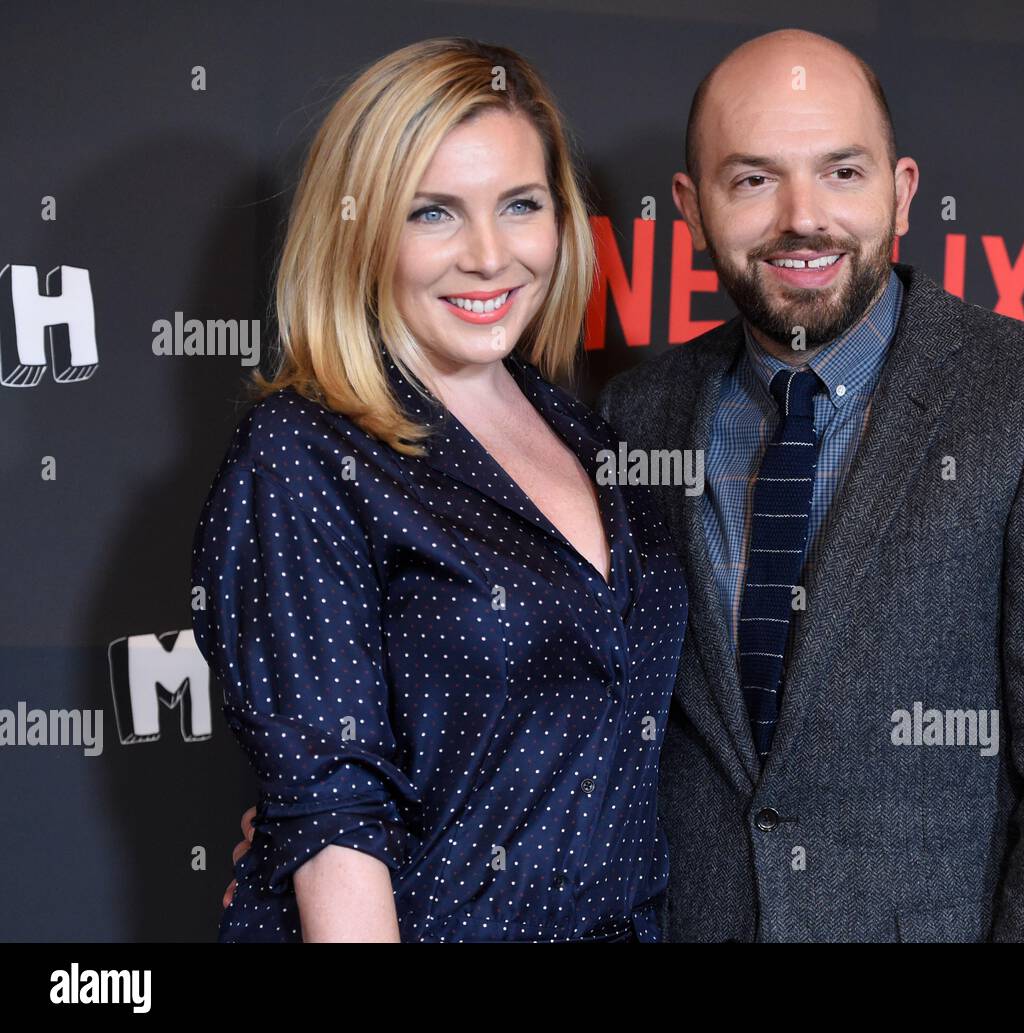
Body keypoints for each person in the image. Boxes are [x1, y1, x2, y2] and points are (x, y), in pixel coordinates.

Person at [594, 28, 1024, 941]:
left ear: (900, 191)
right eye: (753, 179)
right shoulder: (637, 414)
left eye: (842, 172)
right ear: (692, 210)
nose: (802, 216)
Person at [191, 37, 687, 943]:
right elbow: (333, 822)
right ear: (362, 227)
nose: (490, 255)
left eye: (520, 205)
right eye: (434, 214)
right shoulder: (305, 449)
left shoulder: (590, 434)